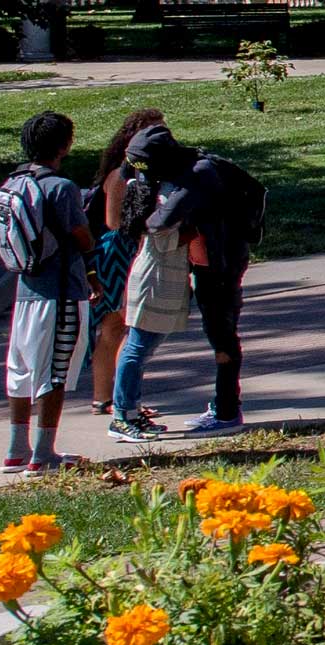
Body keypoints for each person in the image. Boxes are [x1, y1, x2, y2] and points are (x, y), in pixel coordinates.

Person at [125, 125, 248, 434]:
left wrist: (148, 195)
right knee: (220, 333)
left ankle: (226, 412)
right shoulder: (187, 170)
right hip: (209, 265)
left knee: (222, 335)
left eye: (147, 166)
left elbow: (159, 222)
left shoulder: (198, 174)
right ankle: (224, 407)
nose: (145, 173)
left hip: (220, 268)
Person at [0, 112, 97, 476]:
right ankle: (44, 454)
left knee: (21, 370)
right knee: (53, 373)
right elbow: (80, 235)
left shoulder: (14, 182)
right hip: (61, 294)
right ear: (65, 145)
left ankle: (16, 450)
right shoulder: (61, 187)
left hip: (25, 291)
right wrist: (93, 265)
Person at [87, 108, 167, 420]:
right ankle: (116, 399)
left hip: (126, 250)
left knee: (117, 327)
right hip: (116, 254)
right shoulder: (121, 174)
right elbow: (111, 222)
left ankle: (109, 398)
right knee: (119, 326)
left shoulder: (143, 172)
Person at [107, 173, 193, 443]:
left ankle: (131, 411)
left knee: (143, 347)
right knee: (137, 347)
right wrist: (199, 225)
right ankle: (121, 415)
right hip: (154, 276)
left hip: (161, 274)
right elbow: (165, 239)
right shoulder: (163, 192)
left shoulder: (156, 186)